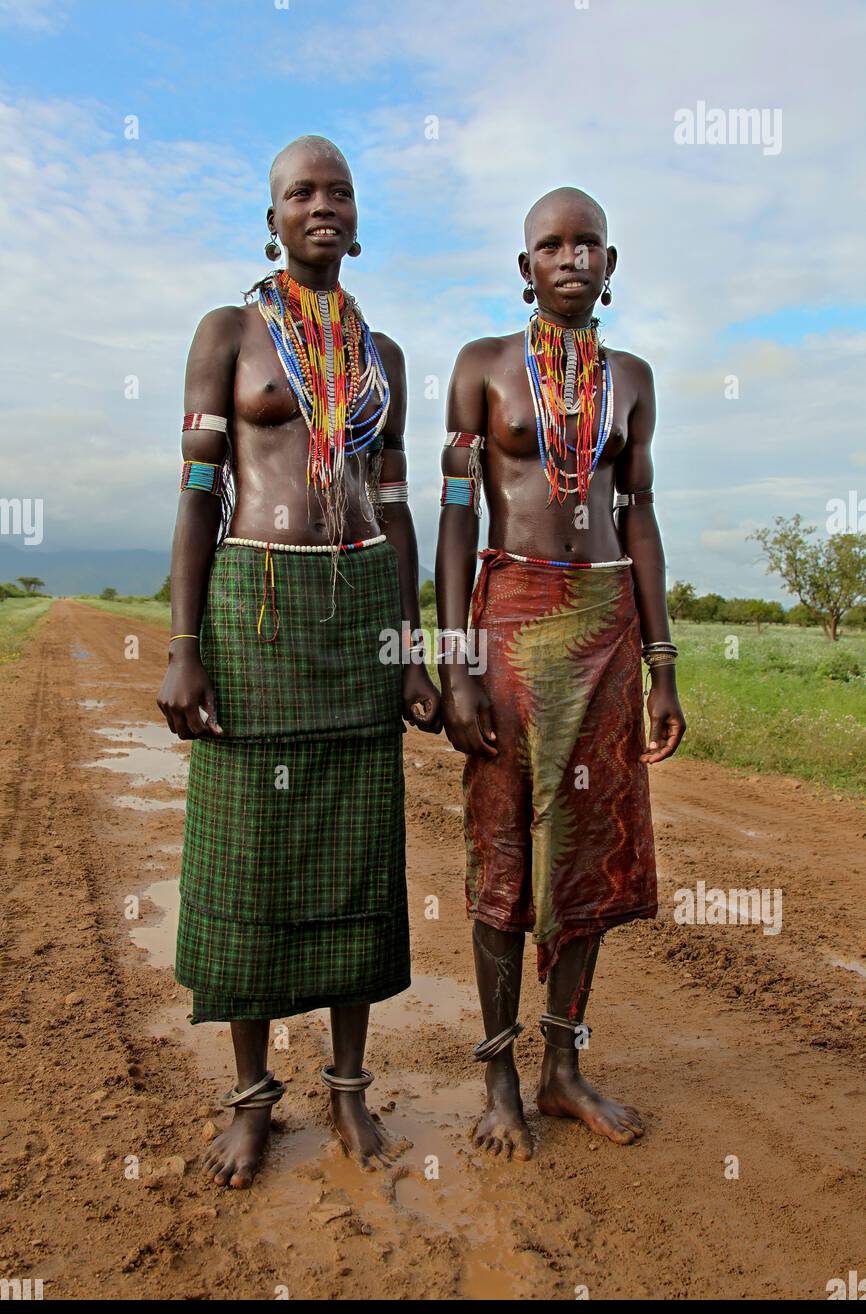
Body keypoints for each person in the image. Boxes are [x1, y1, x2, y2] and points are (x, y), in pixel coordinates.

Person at [157, 135, 440, 1186]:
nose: (321, 205)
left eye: (337, 192)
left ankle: (350, 1089)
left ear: (356, 221)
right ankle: (249, 1101)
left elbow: (401, 505)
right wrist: (185, 647)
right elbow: (196, 495)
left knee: (356, 846)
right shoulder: (228, 332)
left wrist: (412, 650)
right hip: (255, 605)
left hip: (358, 599)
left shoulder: (386, 356)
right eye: (299, 192)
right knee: (249, 850)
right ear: (269, 218)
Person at [435, 186, 685, 1160]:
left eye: (587, 244)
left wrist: (661, 662)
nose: (570, 257)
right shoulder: (482, 368)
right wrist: (451, 658)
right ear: (524, 267)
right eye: (551, 244)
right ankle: (497, 1074)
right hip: (506, 620)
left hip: (605, 625)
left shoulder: (630, 377)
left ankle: (560, 1067)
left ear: (609, 266)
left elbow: (640, 517)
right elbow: (457, 515)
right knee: (502, 852)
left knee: (586, 854)